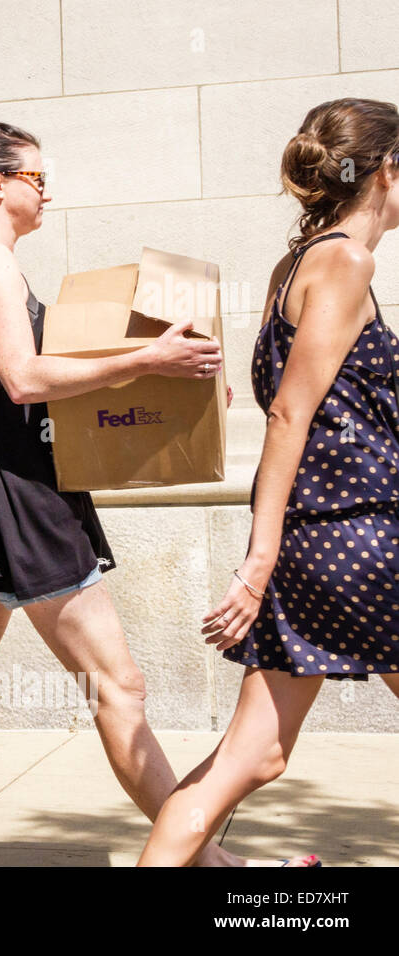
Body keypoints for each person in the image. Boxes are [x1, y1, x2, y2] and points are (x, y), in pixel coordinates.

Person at [0, 122, 305, 868]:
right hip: (18, 496)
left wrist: (175, 388)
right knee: (118, 684)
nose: (48, 191)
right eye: (37, 178)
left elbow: (54, 380)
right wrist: (152, 358)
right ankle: (201, 860)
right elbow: (26, 381)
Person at [139, 98, 399, 867]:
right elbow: (289, 413)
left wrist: (270, 557)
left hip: (317, 545)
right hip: (362, 537)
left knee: (253, 758)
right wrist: (254, 565)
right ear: (388, 168)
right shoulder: (349, 261)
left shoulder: (300, 262)